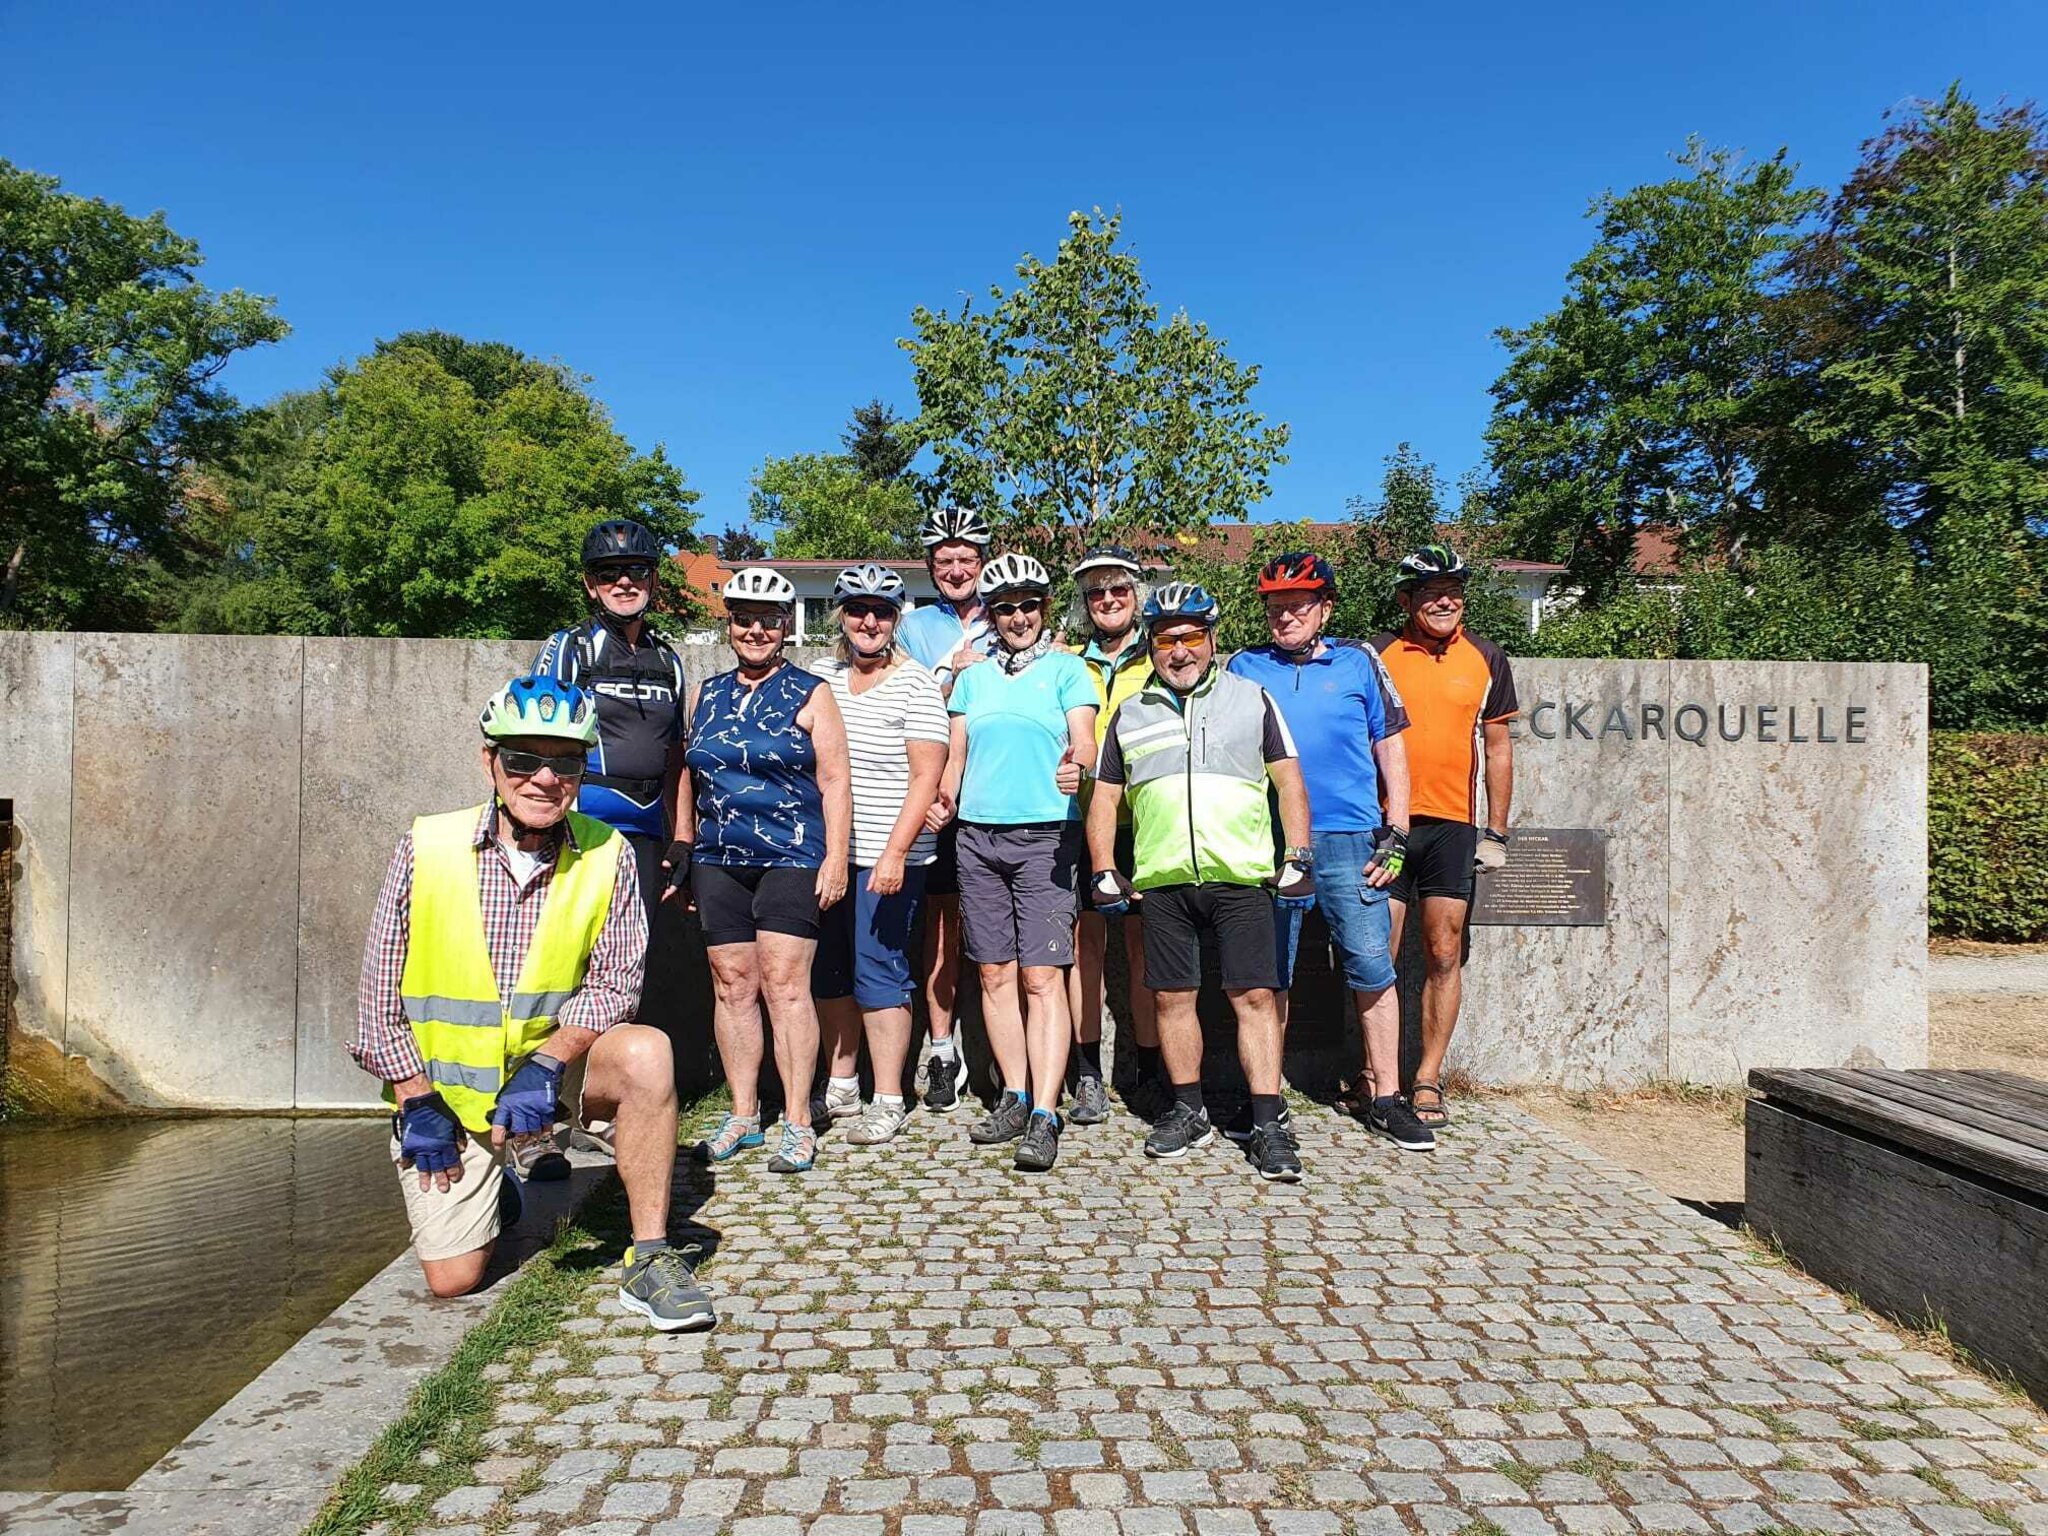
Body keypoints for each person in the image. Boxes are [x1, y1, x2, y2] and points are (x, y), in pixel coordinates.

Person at [351, 675, 711, 1330]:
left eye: (565, 761)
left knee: (647, 1054)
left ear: (582, 770)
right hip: (447, 1096)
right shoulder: (424, 848)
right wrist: (414, 1097)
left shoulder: (610, 854)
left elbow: (615, 982)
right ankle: (502, 1192)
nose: (544, 777)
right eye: (523, 759)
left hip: (548, 1077)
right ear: (490, 761)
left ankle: (651, 1256)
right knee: (453, 1280)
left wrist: (548, 1063)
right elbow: (378, 995)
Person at [1087, 583, 1314, 1183]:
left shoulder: (1252, 698)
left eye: (1190, 638)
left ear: (1212, 640)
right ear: (1152, 646)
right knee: (1171, 998)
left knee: (1256, 997)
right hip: (1162, 880)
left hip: (1241, 875)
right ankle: (1188, 1110)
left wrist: (1300, 855)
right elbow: (1106, 798)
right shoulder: (1130, 713)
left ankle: (1268, 1119)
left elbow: (1289, 780)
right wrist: (1105, 867)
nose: (1179, 651)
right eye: (1166, 640)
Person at [1227, 551, 1434, 1153]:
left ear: (1326, 608)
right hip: (1271, 842)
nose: (1284, 614)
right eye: (1274, 605)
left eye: (1297, 604)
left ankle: (1386, 1098)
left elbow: (1391, 746)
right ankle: (1266, 1098)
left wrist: (1397, 831)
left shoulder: (1360, 661)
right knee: (1269, 976)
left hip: (1354, 838)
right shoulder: (1243, 665)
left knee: (1372, 967)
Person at [529, 518, 690, 1174]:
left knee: (626, 973)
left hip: (648, 828)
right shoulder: (567, 649)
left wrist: (683, 836)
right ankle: (539, 1122)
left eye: (636, 571)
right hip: (583, 820)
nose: (624, 582)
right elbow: (536, 739)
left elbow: (678, 756)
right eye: (607, 573)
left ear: (653, 579)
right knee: (555, 969)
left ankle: (602, 1110)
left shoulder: (670, 657)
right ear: (589, 585)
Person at [684, 566, 852, 1173]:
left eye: (768, 620)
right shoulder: (706, 693)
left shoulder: (812, 692)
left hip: (791, 854)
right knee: (732, 984)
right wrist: (684, 845)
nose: (755, 630)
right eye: (743, 619)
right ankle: (743, 1113)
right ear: (728, 624)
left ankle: (800, 1120)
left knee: (784, 985)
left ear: (785, 627)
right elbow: (689, 772)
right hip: (718, 858)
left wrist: (835, 857)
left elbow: (835, 781)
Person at [934, 553, 1096, 1172]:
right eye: (1006, 608)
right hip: (978, 837)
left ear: (1044, 609)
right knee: (995, 975)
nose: (1019, 617)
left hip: (1046, 839)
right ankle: (1014, 1093)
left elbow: (1084, 736)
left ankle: (1046, 1113)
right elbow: (956, 753)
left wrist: (1074, 763)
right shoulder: (973, 679)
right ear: (992, 616)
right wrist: (945, 799)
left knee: (1041, 977)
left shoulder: (1066, 670)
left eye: (1029, 605)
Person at [1370, 544, 1518, 1131]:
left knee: (1443, 953)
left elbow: (1499, 748)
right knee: (1375, 954)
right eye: (1431, 592)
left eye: (1453, 591)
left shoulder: (1487, 657)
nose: (1445, 601)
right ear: (1407, 600)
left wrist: (1497, 831)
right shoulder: (1376, 654)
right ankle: (1374, 1075)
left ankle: (1427, 1076)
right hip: (1388, 826)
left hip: (1454, 827)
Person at [809, 564, 950, 1144]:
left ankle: (889, 1095)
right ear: (840, 614)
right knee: (830, 969)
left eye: (883, 611)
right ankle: (841, 1082)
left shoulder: (915, 683)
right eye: (858, 609)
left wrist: (894, 854)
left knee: (881, 971)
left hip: (889, 853)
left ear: (896, 619)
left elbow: (925, 778)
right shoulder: (821, 676)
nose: (869, 621)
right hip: (829, 852)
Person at [896, 506, 999, 1111]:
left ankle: (1019, 1058)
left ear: (981, 563)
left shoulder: (1013, 610)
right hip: (938, 791)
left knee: (994, 926)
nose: (956, 570)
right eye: (945, 561)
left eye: (966, 559)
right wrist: (950, 676)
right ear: (932, 569)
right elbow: (911, 701)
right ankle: (942, 1051)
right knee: (938, 928)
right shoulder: (915, 626)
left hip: (997, 792)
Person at [1063, 545, 1159, 1122]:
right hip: (1077, 820)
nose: (1107, 600)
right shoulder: (1068, 661)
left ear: (1136, 595)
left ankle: (1150, 1069)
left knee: (1147, 949)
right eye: (1096, 592)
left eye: (1118, 589)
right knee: (1084, 949)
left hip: (1145, 822)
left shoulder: (1162, 656)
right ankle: (1089, 1073)